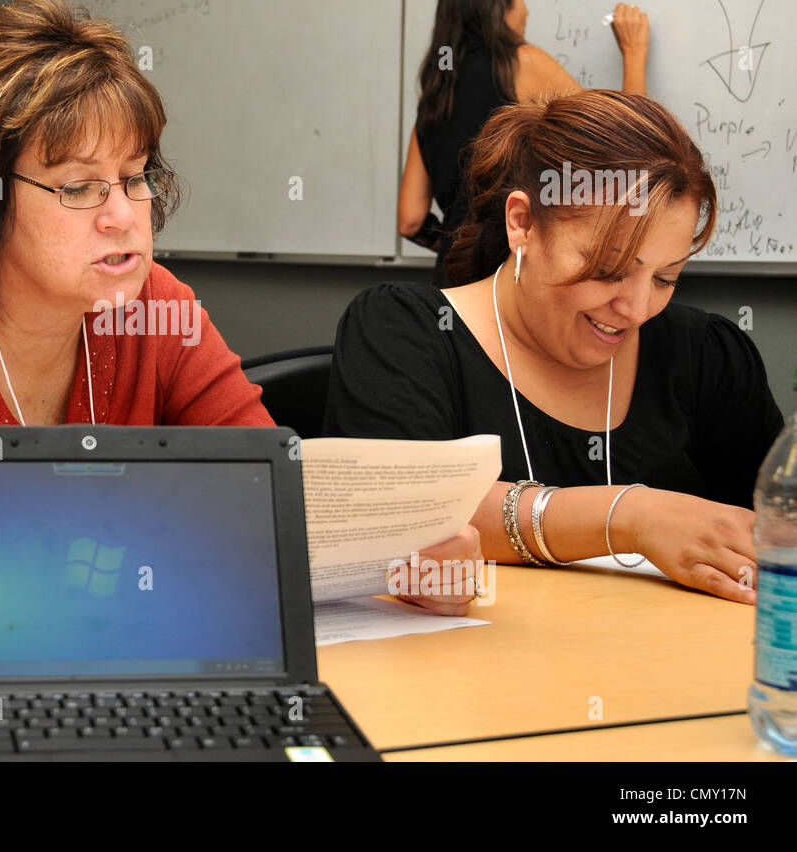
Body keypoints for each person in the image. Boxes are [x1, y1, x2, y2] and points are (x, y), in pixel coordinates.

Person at [0, 0, 480, 616]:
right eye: (79, 187)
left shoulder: (154, 308)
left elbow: (268, 485)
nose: (124, 215)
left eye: (135, 177)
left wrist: (392, 547)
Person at [327, 89, 783, 605]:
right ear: (522, 223)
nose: (634, 309)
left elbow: (779, 519)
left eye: (665, 278)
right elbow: (398, 509)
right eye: (609, 269)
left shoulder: (706, 356)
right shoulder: (405, 331)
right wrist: (629, 516)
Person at [398, 0, 650, 283]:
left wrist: (455, 243)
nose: (527, 10)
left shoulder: (435, 96)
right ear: (499, 4)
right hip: (508, 278)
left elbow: (410, 220)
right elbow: (627, 137)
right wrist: (633, 54)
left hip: (451, 286)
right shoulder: (519, 64)